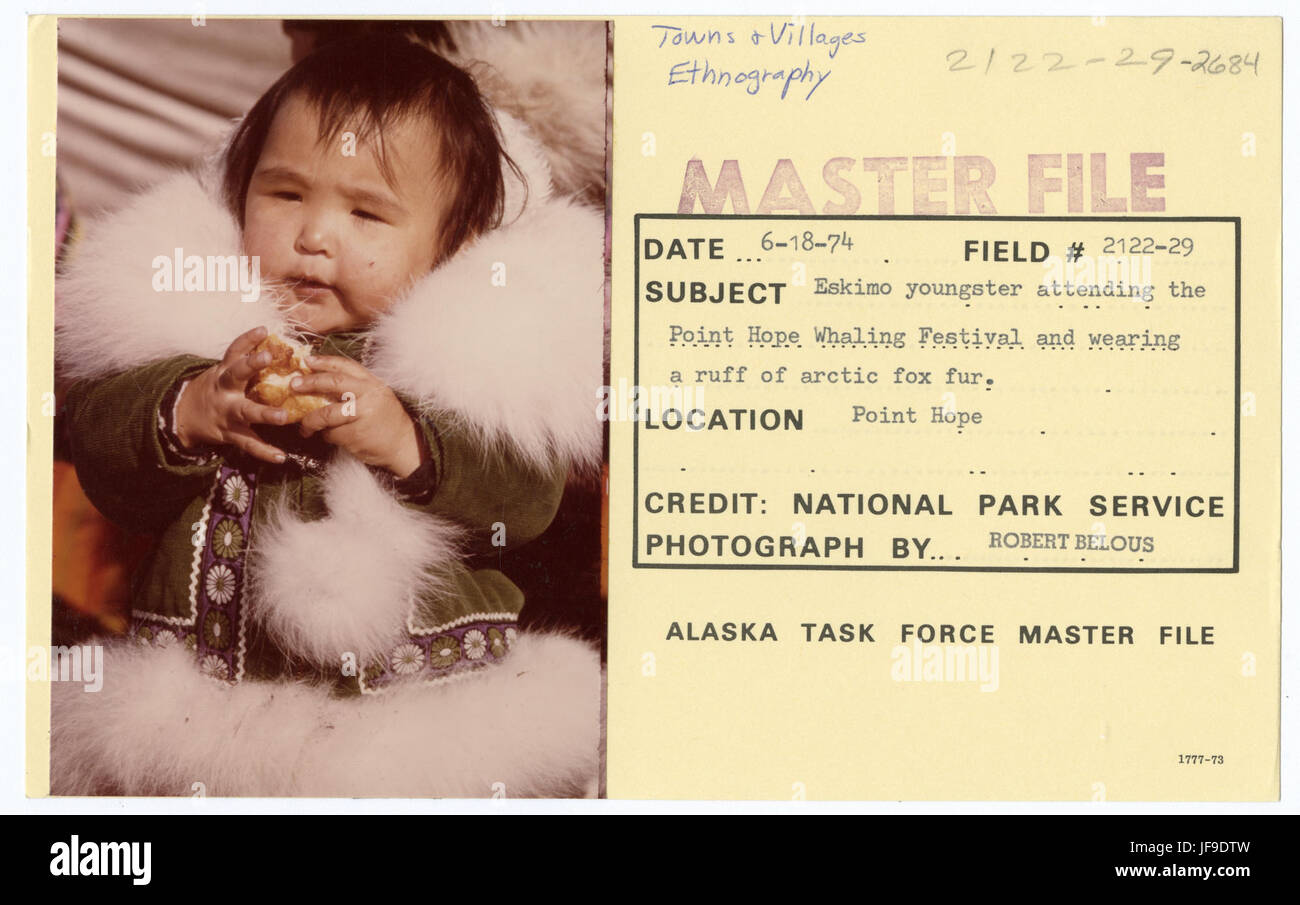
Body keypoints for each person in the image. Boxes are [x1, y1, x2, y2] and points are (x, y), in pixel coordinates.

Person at [51, 33, 604, 797]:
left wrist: (407, 438)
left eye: (367, 214)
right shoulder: (197, 342)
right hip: (204, 730)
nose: (314, 236)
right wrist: (190, 405)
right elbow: (101, 449)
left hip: (422, 731)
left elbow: (525, 494)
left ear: (452, 245)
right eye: (284, 195)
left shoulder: (470, 366)